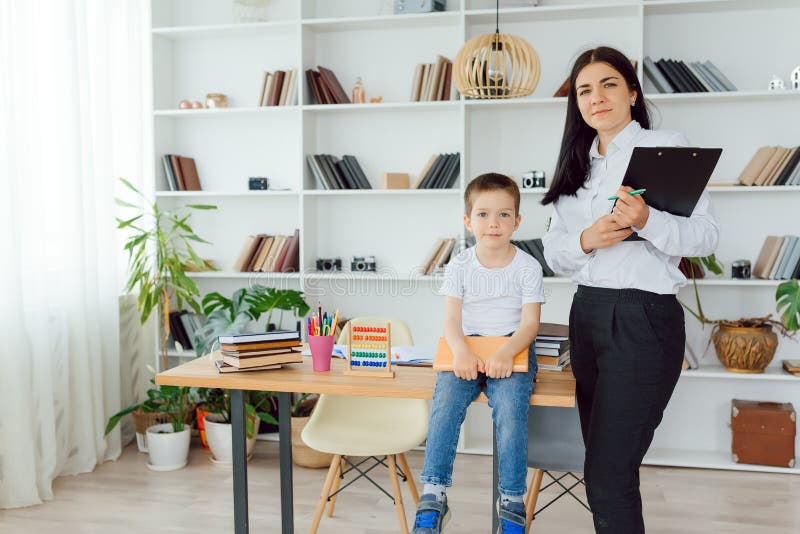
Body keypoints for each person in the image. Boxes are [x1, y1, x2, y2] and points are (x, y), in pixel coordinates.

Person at [541, 46, 719, 533]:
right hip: (587, 314)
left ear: (632, 92)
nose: (596, 97)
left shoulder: (667, 146)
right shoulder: (575, 164)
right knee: (603, 468)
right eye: (584, 90)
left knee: (608, 472)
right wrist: (586, 239)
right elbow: (555, 251)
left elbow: (705, 237)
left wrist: (649, 220)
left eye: (609, 84)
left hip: (643, 318)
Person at [413, 173, 545, 534]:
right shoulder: (459, 264)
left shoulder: (528, 267)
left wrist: (505, 352)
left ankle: (512, 501)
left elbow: (530, 324)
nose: (494, 223)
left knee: (511, 413)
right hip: (467, 348)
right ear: (468, 221)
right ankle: (434, 494)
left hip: (511, 348)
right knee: (444, 406)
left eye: (504, 215)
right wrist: (460, 351)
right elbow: (452, 320)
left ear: (517, 221)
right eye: (484, 214)